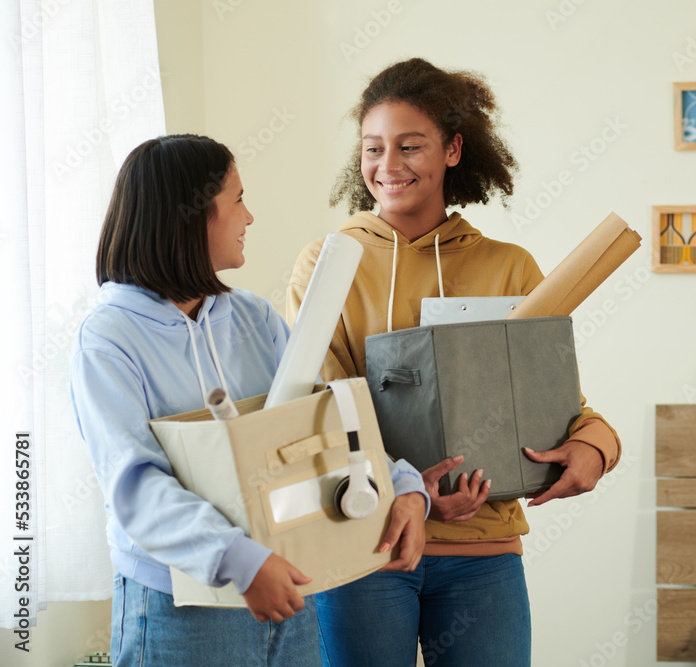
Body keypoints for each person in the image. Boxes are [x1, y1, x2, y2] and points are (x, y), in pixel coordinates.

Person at [288, 58, 621, 666]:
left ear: (453, 149)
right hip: (368, 546)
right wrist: (407, 490)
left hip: (483, 557)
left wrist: (597, 447)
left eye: (409, 146)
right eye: (373, 148)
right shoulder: (326, 263)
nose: (387, 166)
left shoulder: (511, 266)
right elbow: (318, 408)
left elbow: (553, 404)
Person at [70, 134, 428, 665]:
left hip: (287, 584)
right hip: (180, 607)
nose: (250, 217)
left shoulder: (254, 318)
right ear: (190, 217)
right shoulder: (109, 338)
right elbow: (136, 485)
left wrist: (403, 486)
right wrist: (240, 561)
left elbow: (319, 424)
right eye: (238, 200)